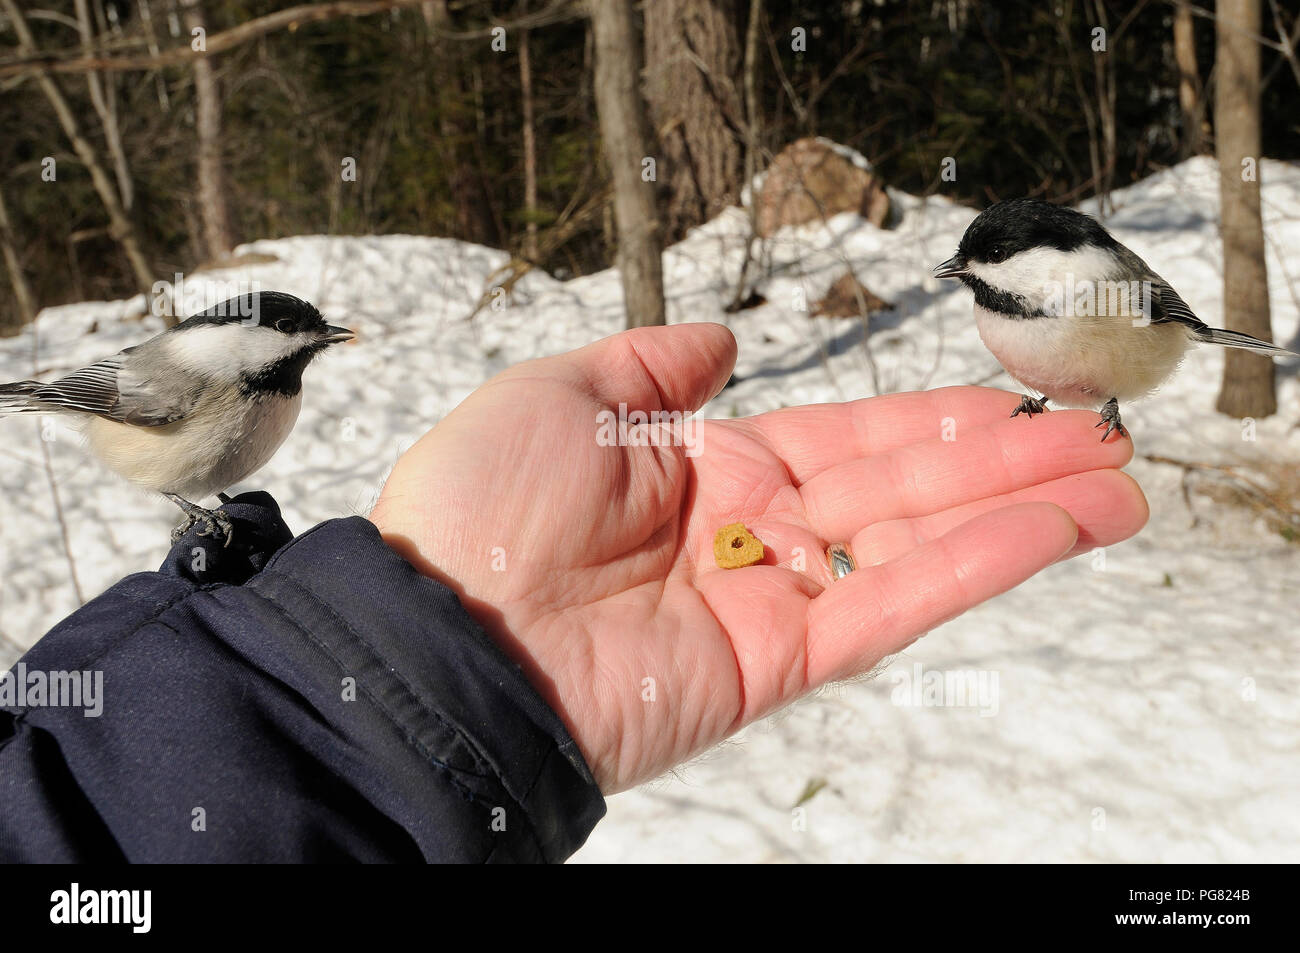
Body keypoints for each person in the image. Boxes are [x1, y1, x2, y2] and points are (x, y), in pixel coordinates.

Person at [0, 323, 1148, 861]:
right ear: (246, 363)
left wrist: (383, 668)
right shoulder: (187, 387)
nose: (311, 362)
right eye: (292, 352)